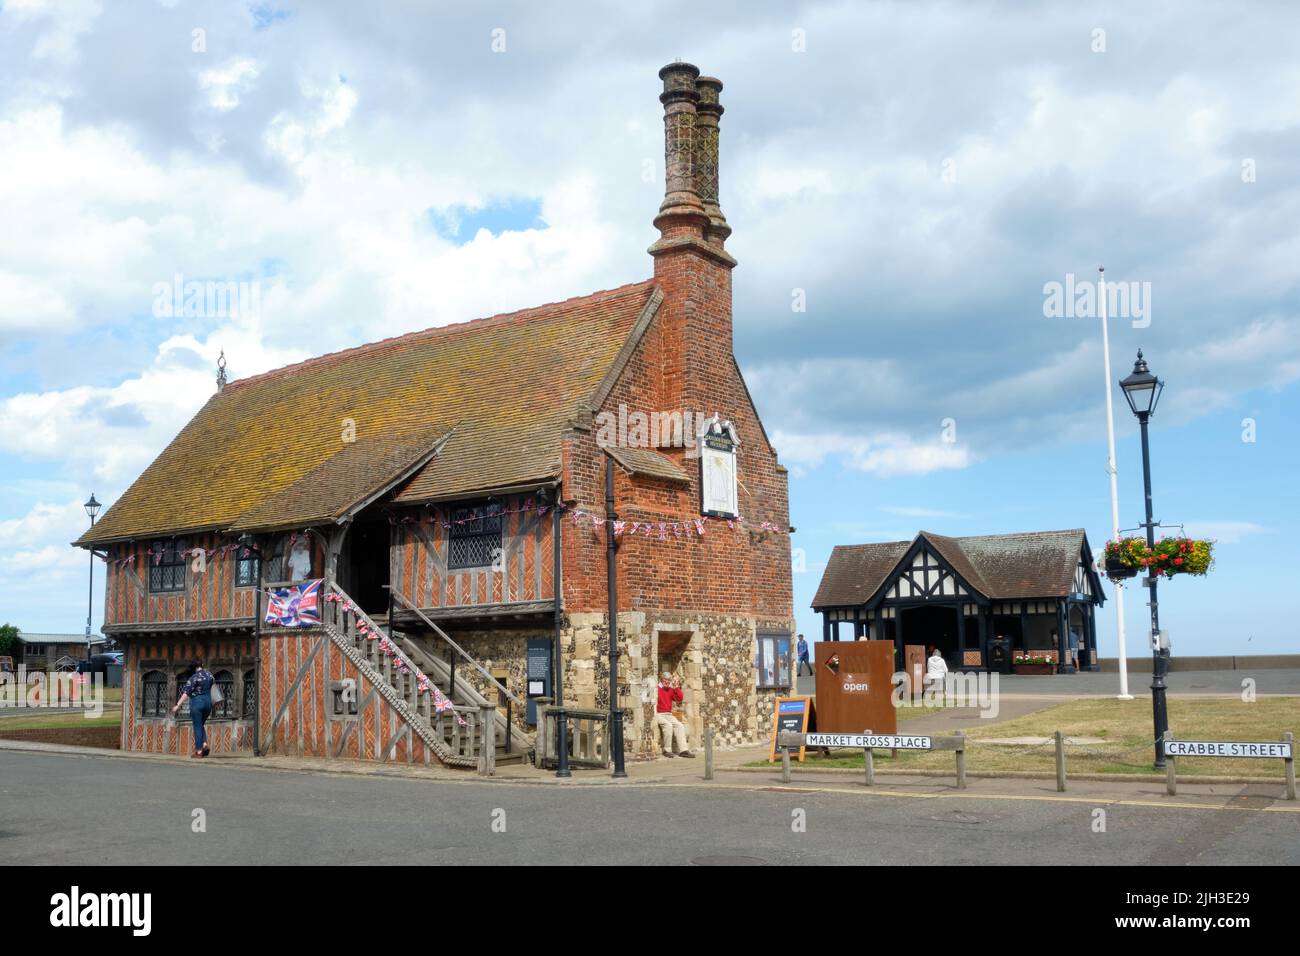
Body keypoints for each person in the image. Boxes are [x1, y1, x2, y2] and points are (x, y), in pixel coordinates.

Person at [172, 659, 215, 758]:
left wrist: (177, 705)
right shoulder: (209, 675)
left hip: (197, 704)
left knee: (197, 727)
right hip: (208, 703)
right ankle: (204, 744)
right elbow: (213, 684)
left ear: (194, 667)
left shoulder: (193, 678)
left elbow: (186, 693)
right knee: (200, 724)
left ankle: (199, 751)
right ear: (202, 665)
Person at [654, 672, 693, 758]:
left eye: (669, 680)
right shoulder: (656, 689)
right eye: (665, 679)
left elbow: (679, 698)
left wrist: (676, 688)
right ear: (661, 679)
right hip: (658, 714)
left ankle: (683, 750)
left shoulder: (670, 689)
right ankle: (667, 750)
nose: (667, 682)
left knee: (680, 725)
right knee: (668, 726)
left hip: (668, 714)